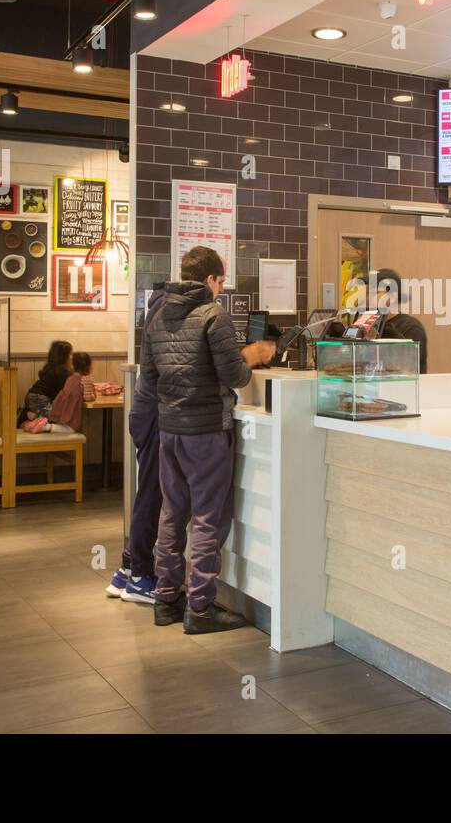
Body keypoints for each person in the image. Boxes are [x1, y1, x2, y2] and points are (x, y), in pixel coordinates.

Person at [142, 247, 274, 633]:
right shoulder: (213, 315)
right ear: (212, 279)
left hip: (169, 430)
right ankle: (199, 607)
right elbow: (235, 377)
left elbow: (149, 380)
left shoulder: (158, 313)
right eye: (221, 281)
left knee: (172, 513)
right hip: (205, 433)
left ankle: (166, 599)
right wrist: (250, 355)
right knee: (206, 519)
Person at [107, 283, 167, 603]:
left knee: (148, 493)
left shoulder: (155, 306)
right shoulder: (169, 310)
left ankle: (128, 568)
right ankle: (142, 576)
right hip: (156, 414)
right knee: (151, 495)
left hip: (145, 411)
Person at [24, 351, 91, 434]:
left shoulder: (70, 378)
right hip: (63, 408)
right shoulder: (81, 379)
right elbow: (88, 396)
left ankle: (38, 419)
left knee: (62, 423)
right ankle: (44, 425)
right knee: (72, 429)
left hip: (58, 407)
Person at [18, 340, 73, 426]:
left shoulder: (51, 368)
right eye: (70, 354)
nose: (71, 357)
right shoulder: (63, 372)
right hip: (40, 399)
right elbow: (72, 390)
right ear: (64, 357)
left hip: (32, 396)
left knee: (53, 419)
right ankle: (27, 418)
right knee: (55, 421)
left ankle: (31, 415)